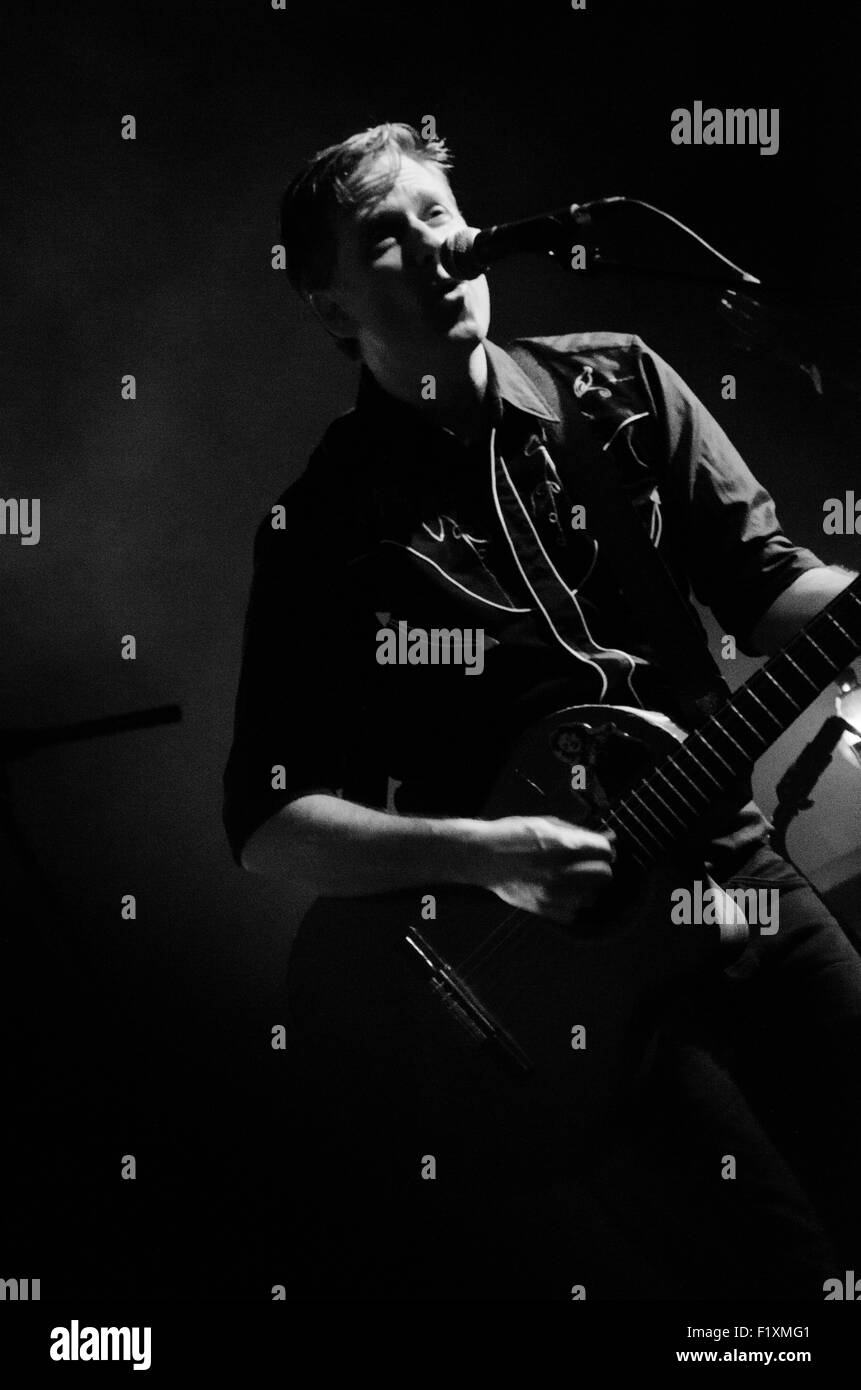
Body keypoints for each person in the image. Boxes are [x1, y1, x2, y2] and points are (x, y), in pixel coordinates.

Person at [223, 122, 861, 1299]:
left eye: (437, 211)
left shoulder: (615, 384)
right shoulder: (322, 532)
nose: (435, 243)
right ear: (328, 308)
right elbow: (271, 824)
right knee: (777, 1277)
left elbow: (773, 590)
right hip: (553, 979)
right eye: (385, 236)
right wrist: (489, 852)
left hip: (731, 872)